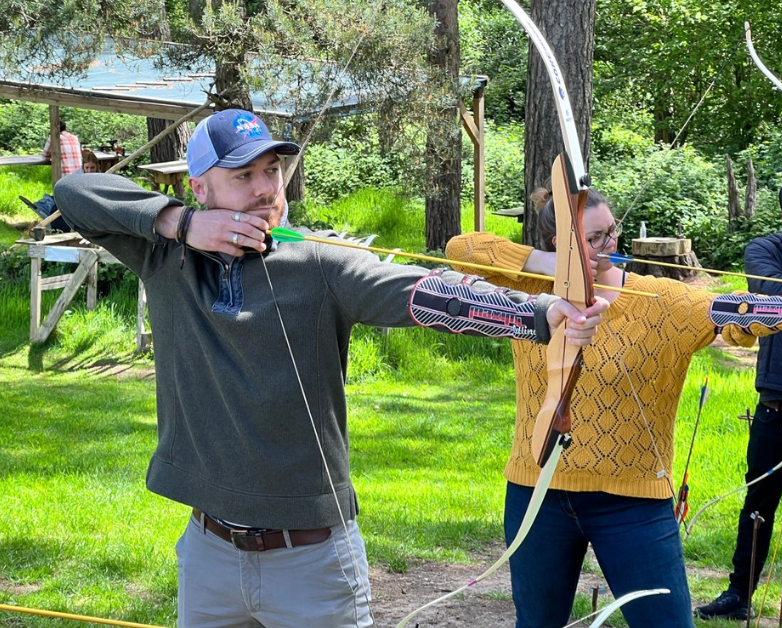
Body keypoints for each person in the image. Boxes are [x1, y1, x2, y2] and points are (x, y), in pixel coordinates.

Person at [53, 108, 607, 628]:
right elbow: (72, 193)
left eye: (271, 170)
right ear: (200, 188)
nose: (266, 188)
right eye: (242, 176)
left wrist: (541, 313)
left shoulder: (320, 262)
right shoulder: (164, 256)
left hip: (311, 559)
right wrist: (180, 224)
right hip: (208, 553)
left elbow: (424, 291)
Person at [444, 186, 782, 628]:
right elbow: (463, 249)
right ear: (561, 244)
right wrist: (551, 267)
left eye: (612, 231)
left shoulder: (663, 301)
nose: (609, 244)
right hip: (538, 490)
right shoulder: (531, 292)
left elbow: (732, 312)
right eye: (593, 239)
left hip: (632, 499)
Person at [696, 175, 782, 625]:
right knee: (757, 505)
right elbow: (770, 292)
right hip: (778, 406)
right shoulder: (763, 249)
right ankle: (739, 594)